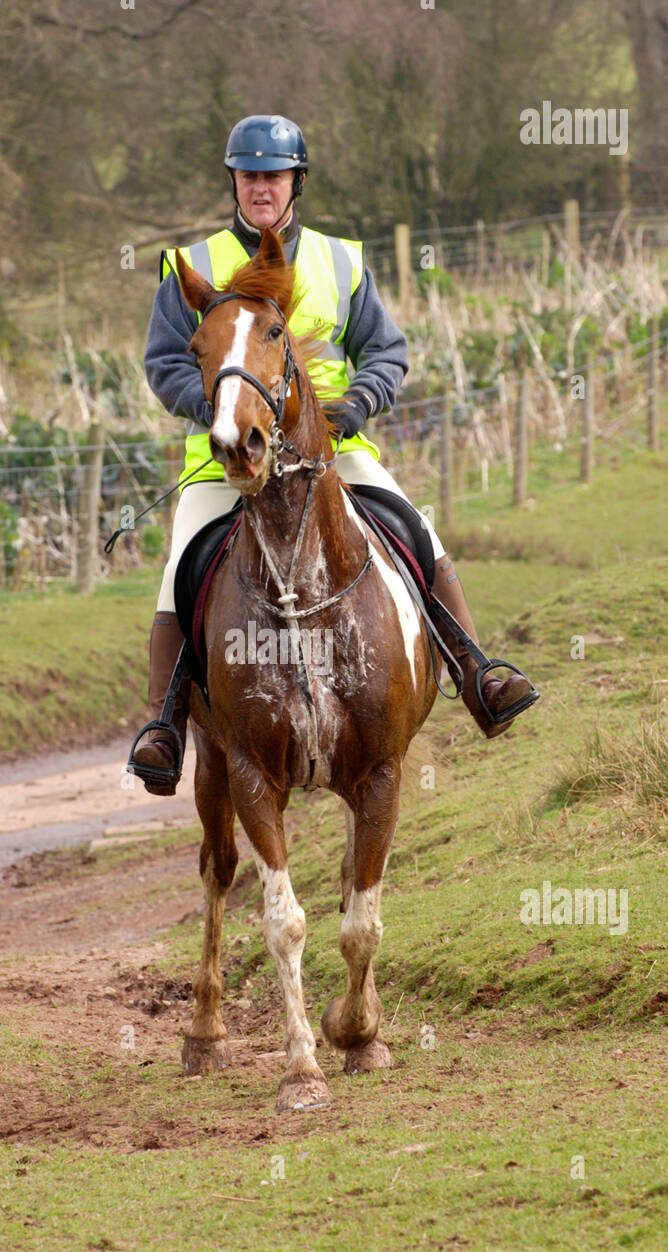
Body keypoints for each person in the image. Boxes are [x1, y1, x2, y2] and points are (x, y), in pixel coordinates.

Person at [131, 114, 536, 795]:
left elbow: (387, 350)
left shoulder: (341, 259)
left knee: (416, 528)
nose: (262, 186)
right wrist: (224, 412)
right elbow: (164, 361)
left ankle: (477, 670)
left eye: (274, 175)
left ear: (298, 181)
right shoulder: (191, 265)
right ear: (234, 179)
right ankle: (165, 725)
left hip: (333, 452)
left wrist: (362, 401)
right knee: (182, 564)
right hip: (230, 457)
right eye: (250, 174)